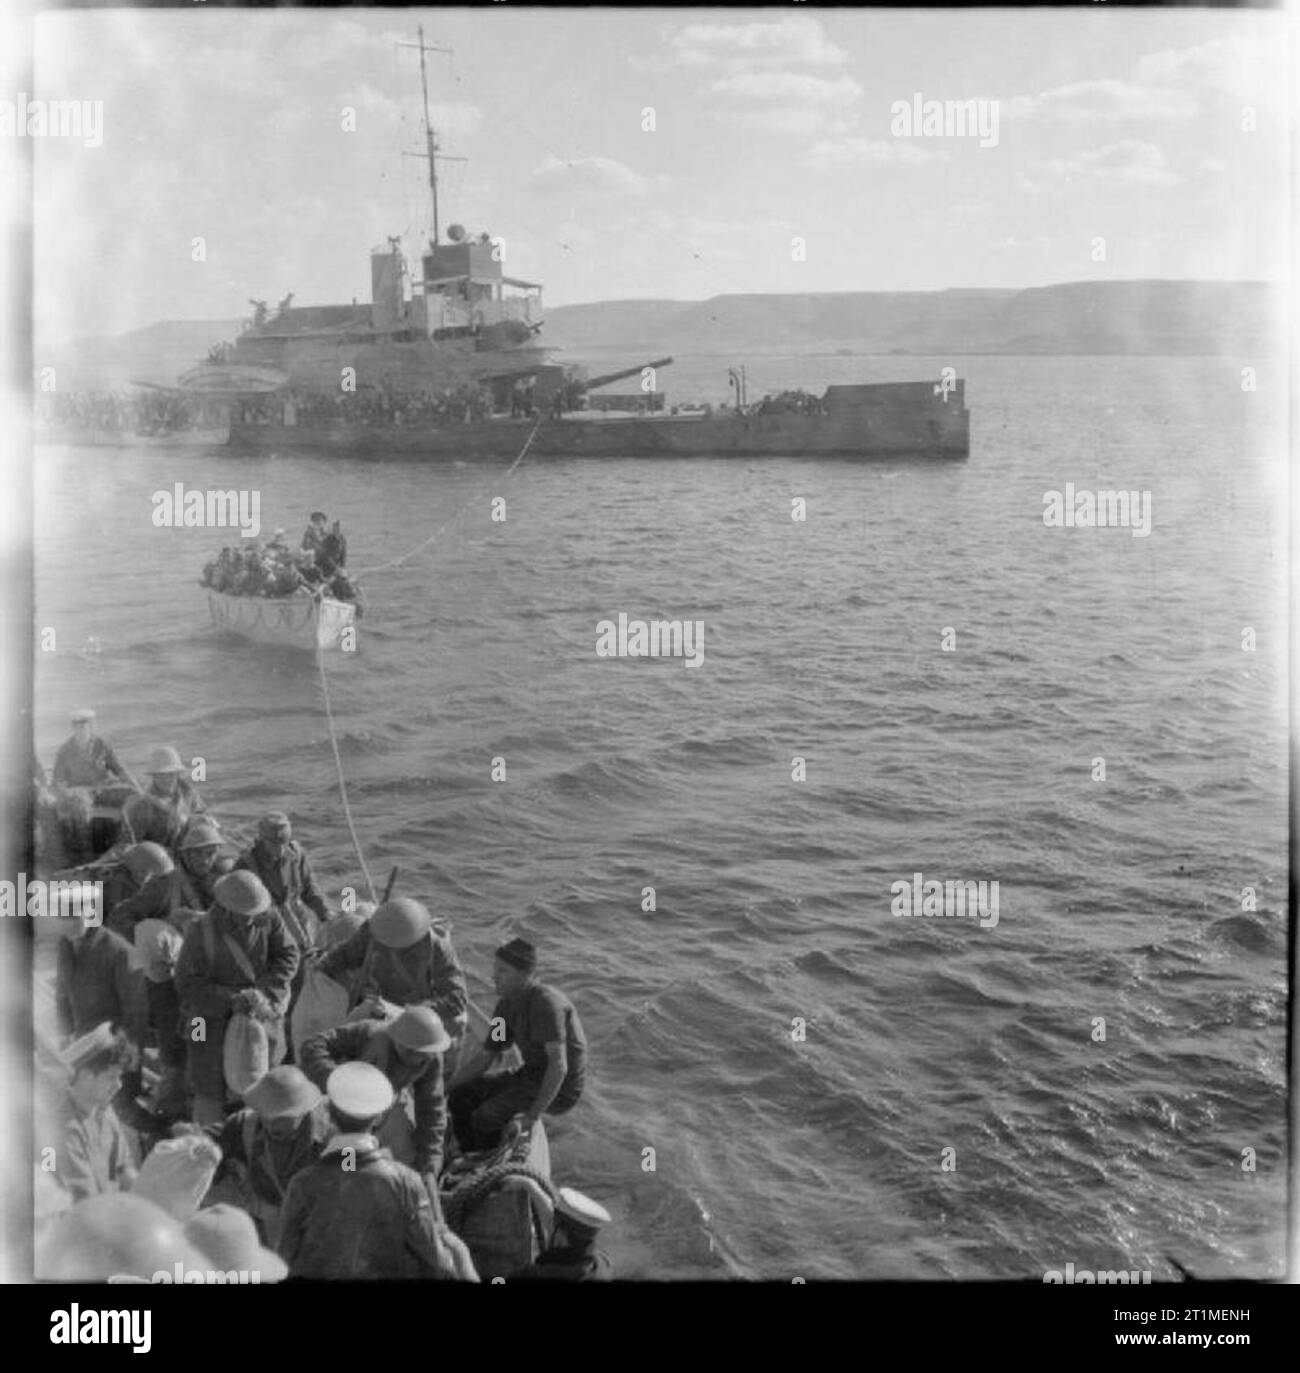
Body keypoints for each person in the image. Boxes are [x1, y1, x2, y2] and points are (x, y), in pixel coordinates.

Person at [278, 1062, 477, 1280]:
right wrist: (457, 1252)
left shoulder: (302, 1183)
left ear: (330, 1113)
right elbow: (436, 1260)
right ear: (379, 1117)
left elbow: (284, 1259)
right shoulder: (405, 1181)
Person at [173, 871, 299, 1126]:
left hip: (260, 1014)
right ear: (227, 909)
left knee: (266, 1078)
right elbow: (187, 983)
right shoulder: (200, 931)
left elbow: (288, 955)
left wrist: (264, 993)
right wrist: (232, 999)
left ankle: (258, 1138)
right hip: (207, 1021)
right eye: (245, 914)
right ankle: (205, 1141)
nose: (252, 918)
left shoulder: (270, 917)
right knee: (207, 1086)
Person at [298, 1006, 451, 1205]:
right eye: (409, 1051)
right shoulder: (369, 1033)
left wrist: (430, 1164)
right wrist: (339, 1081)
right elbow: (312, 1046)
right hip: (345, 1112)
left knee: (402, 1164)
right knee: (346, 1165)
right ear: (396, 1038)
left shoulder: (430, 1057)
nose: (415, 1059)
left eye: (420, 1054)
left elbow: (431, 1109)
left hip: (383, 1110)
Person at [448, 939, 586, 1153]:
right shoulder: (505, 1005)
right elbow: (488, 1055)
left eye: (503, 971)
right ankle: (468, 1150)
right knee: (461, 1096)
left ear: (525, 974)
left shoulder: (546, 1005)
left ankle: (485, 1158)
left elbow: (558, 1067)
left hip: (562, 1088)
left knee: (487, 1115)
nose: (494, 976)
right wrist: (448, 1086)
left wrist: (531, 1117)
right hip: (530, 1074)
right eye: (495, 970)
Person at [186, 1066, 331, 1249]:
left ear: (303, 1112)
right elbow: (210, 1140)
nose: (271, 1124)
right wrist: (193, 1142)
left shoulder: (329, 1135)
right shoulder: (243, 1125)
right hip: (272, 1231)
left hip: (318, 1231)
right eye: (266, 1115)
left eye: (282, 1118)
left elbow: (353, 1170)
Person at [317, 896, 467, 1037]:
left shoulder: (437, 949)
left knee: (457, 1023)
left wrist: (413, 1011)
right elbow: (344, 956)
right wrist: (321, 967)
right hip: (374, 1004)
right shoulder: (373, 931)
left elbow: (456, 998)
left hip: (416, 1013)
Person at [49, 1024, 139, 1202]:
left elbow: (123, 1168)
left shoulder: (104, 1111)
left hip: (107, 1210)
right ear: (85, 1076)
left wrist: (149, 1196)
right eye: (111, 1077)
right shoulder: (65, 1129)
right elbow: (85, 1199)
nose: (119, 1085)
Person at [51, 708, 133, 862]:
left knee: (129, 799)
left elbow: (120, 769)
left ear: (91, 726)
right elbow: (57, 782)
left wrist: (137, 790)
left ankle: (125, 847)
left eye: (85, 725)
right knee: (80, 811)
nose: (81, 729)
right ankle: (86, 857)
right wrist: (70, 794)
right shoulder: (64, 751)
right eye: (77, 725)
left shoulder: (102, 745)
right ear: (73, 727)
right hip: (78, 795)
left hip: (102, 791)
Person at [511, 1187, 613, 1281]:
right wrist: (530, 1186)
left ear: (561, 1234)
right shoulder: (603, 1262)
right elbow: (555, 1221)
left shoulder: (535, 1275)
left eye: (554, 1225)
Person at [121, 745, 206, 852]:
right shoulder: (143, 806)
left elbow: (202, 815)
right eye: (161, 775)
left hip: (189, 849)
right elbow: (133, 844)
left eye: (170, 774)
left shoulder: (188, 793)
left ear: (177, 774)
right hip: (161, 856)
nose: (166, 779)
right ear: (154, 776)